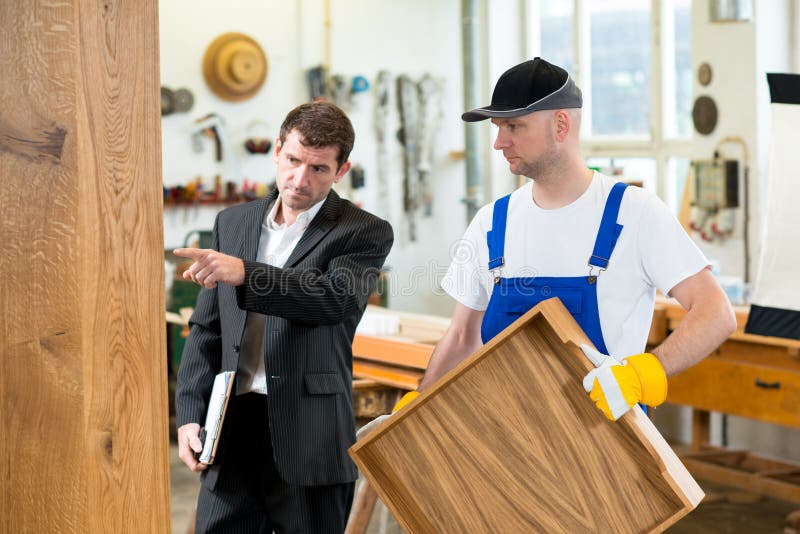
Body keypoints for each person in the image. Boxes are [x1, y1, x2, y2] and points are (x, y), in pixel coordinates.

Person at [362, 57, 736, 435]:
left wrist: (641, 375)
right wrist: (416, 411)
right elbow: (462, 337)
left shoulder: (634, 214)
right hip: (510, 447)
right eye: (497, 127)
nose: (498, 142)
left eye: (513, 126)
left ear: (561, 124)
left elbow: (716, 312)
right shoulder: (492, 223)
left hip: (606, 449)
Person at [174, 101, 393, 533]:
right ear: (277, 150)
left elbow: (331, 299)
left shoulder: (363, 230)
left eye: (319, 169)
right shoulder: (233, 223)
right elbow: (207, 328)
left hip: (309, 431)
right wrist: (188, 412)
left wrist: (245, 273)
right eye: (293, 161)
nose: (300, 179)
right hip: (231, 424)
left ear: (341, 170)